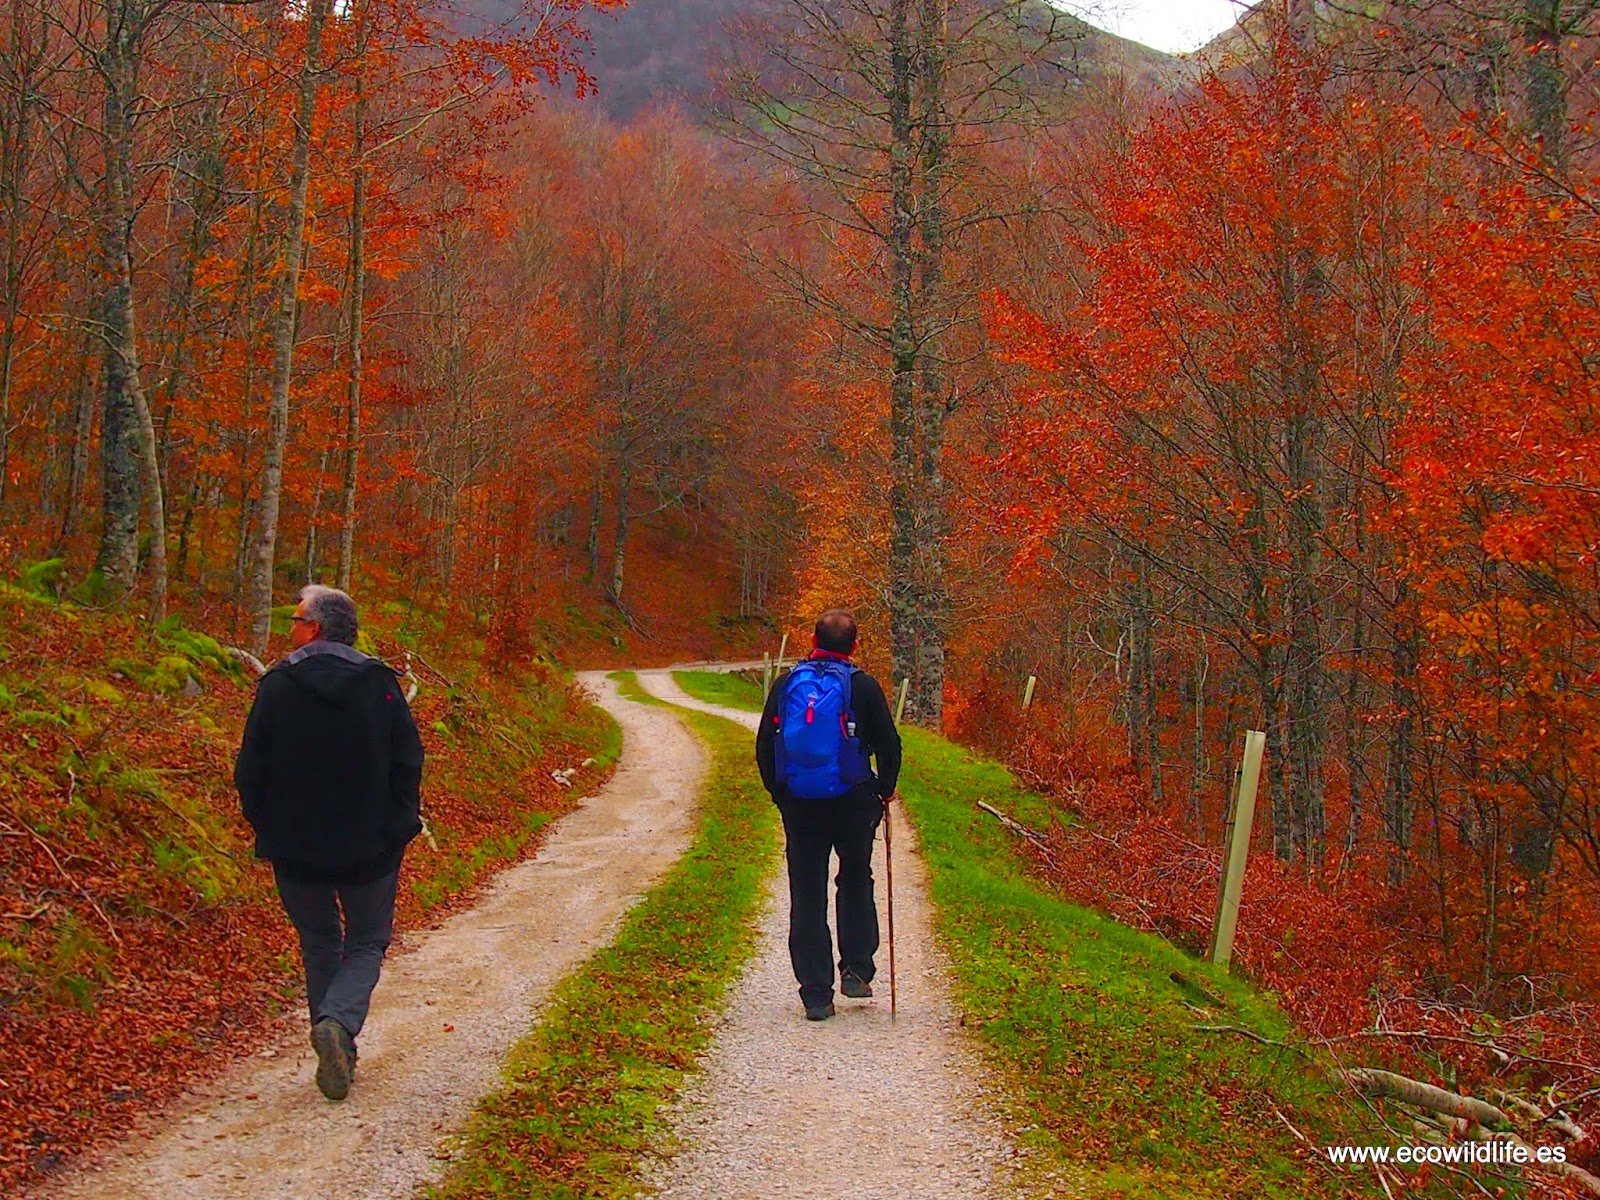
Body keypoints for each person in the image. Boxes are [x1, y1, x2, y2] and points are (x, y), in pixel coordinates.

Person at [234, 585, 424, 1100]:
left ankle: (335, 1035)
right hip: (371, 847)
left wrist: (265, 824)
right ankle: (338, 1027)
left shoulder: (277, 686)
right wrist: (401, 823)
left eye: (296, 619)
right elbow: (407, 763)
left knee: (320, 945)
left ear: (314, 628)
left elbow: (250, 769)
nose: (290, 627)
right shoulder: (381, 686)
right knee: (366, 941)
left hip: (295, 847)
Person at [755, 609, 901, 1021]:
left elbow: (765, 743)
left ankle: (816, 994)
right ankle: (856, 969)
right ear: (854, 645)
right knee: (855, 879)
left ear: (812, 639)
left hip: (800, 805)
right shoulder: (863, 687)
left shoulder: (787, 685)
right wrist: (883, 791)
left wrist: (779, 793)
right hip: (853, 802)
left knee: (807, 892)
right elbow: (890, 746)